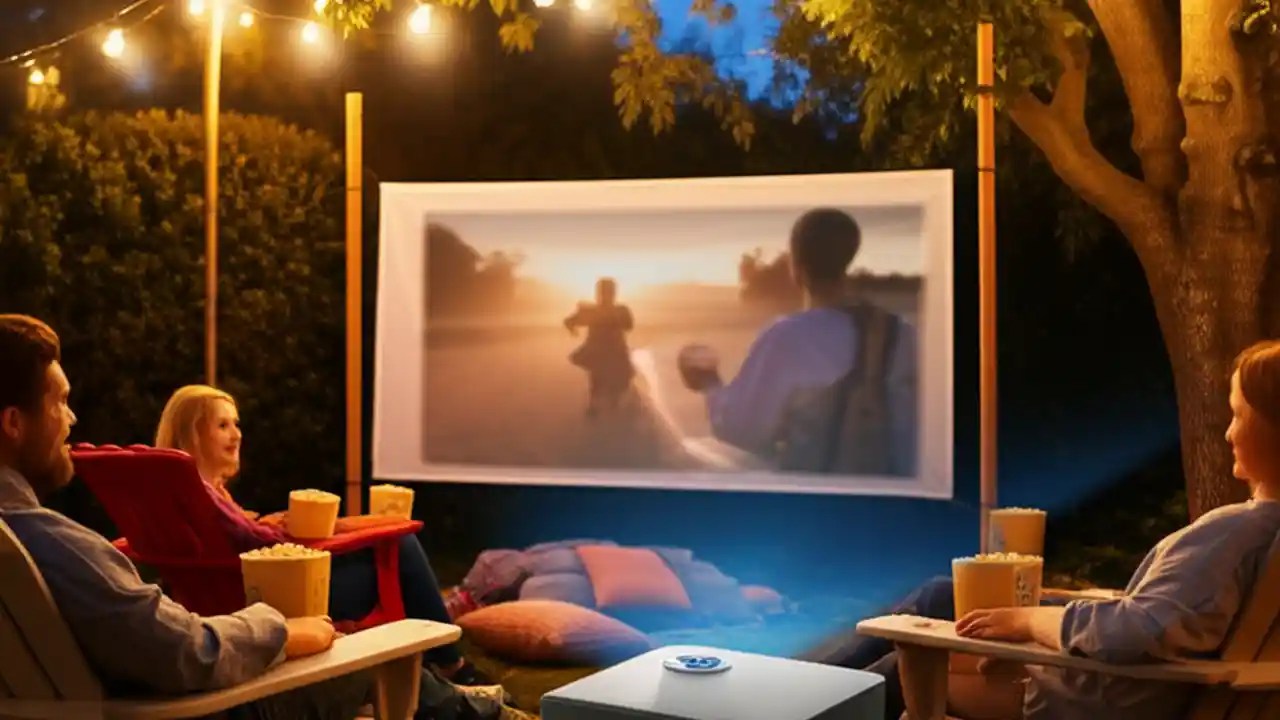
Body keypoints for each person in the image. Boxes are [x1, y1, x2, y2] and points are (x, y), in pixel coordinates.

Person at [0, 315, 528, 720]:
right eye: (61, 402)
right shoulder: (48, 541)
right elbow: (187, 652)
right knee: (372, 655)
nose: (71, 418)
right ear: (13, 424)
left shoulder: (27, 539)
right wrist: (283, 628)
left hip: (134, 688)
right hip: (199, 707)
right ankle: (488, 711)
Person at [805, 339, 1280, 720]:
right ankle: (796, 690)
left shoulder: (1233, 531)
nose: (1227, 433)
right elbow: (1176, 614)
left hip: (1093, 698)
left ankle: (792, 698)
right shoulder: (1253, 534)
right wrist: (1078, 601)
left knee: (902, 656)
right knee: (937, 597)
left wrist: (1028, 621)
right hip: (1124, 685)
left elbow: (1136, 631)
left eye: (1238, 414)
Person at [154, 384, 491, 687]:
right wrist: (282, 528)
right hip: (272, 601)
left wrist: (259, 523)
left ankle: (438, 666)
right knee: (399, 546)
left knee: (393, 548)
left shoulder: (180, 492)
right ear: (192, 434)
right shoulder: (202, 495)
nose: (237, 435)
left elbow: (235, 535)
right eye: (223, 425)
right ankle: (450, 665)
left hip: (230, 597)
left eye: (236, 424)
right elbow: (259, 544)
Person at [677, 208, 918, 476]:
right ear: (849, 258)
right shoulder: (902, 332)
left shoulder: (789, 336)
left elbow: (741, 432)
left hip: (818, 499)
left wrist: (709, 382)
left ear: (795, 267)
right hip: (900, 492)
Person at [564, 277, 636, 418]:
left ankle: (611, 404)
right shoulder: (591, 311)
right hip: (599, 350)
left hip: (615, 350)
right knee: (598, 378)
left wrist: (615, 319)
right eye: (604, 292)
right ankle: (595, 406)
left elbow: (629, 325)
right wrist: (573, 328)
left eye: (609, 292)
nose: (607, 295)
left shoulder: (620, 310)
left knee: (622, 377)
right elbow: (568, 321)